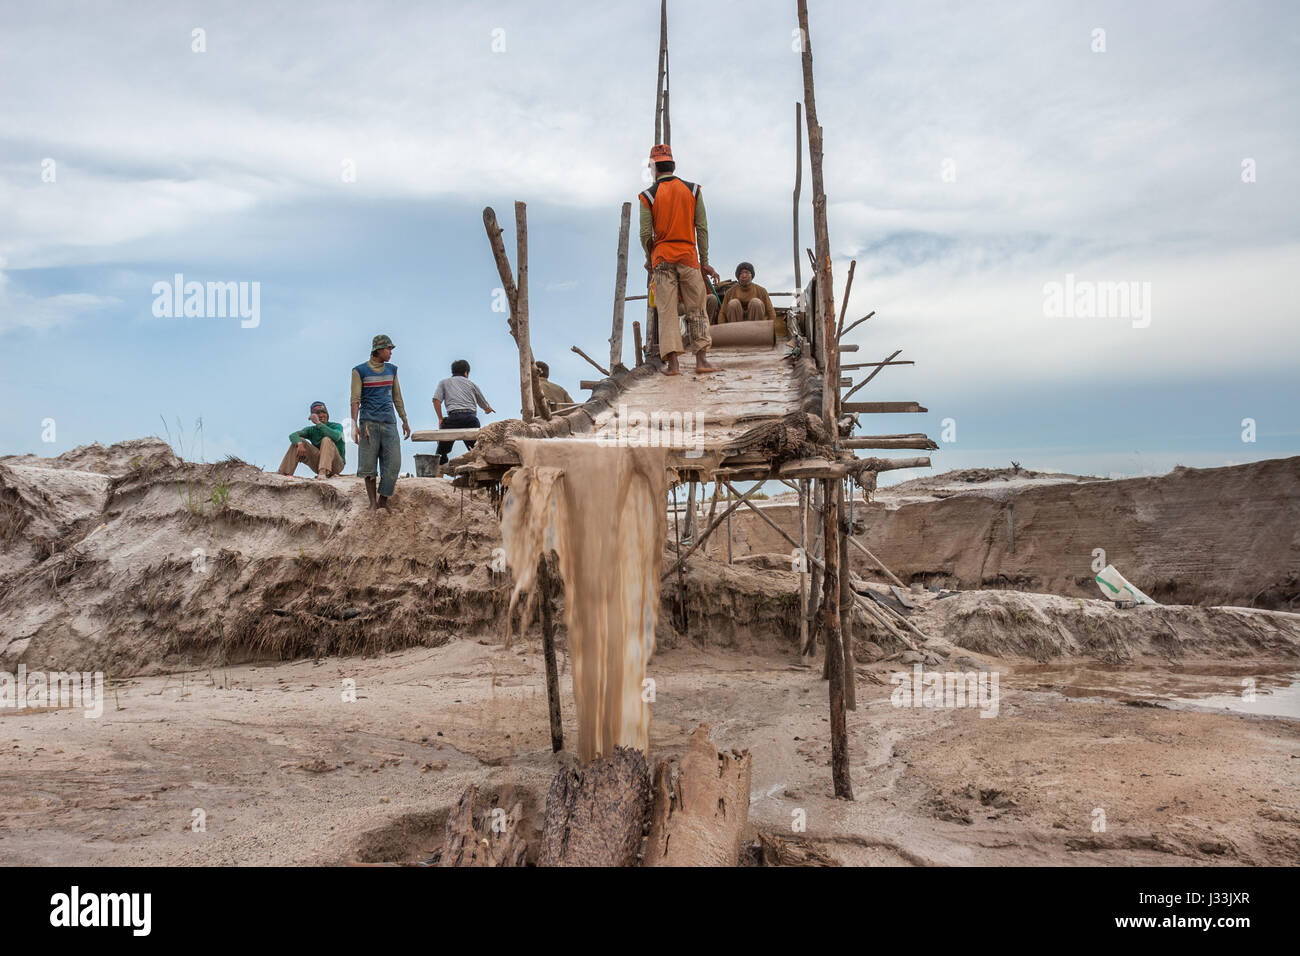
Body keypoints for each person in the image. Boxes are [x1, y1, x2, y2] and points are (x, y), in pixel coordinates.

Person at [638, 144, 721, 376]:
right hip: (688, 257)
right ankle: (701, 361)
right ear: (673, 165)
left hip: (662, 259)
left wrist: (649, 258)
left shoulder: (647, 196)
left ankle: (673, 366)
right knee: (697, 309)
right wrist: (704, 260)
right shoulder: (693, 190)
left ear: (654, 168)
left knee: (666, 311)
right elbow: (702, 227)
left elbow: (645, 234)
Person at [350, 334, 410, 510]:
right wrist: (354, 424)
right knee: (368, 466)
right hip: (368, 423)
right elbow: (355, 399)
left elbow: (397, 397)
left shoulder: (392, 370)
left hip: (389, 422)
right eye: (388, 349)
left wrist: (404, 419)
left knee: (393, 465)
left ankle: (383, 501)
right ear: (378, 350)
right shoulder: (359, 371)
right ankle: (372, 503)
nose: (390, 353)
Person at [433, 359, 494, 466]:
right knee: (477, 451)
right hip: (470, 419)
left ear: (453, 372)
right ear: (466, 373)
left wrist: (440, 418)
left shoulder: (444, 382)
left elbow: (436, 400)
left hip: (452, 420)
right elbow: (484, 405)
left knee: (441, 453)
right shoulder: (472, 384)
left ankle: (439, 476)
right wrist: (488, 409)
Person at [277, 402, 345, 478]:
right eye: (317, 413)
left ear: (327, 414)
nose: (321, 415)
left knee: (326, 440)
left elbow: (336, 436)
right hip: (318, 464)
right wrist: (299, 444)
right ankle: (283, 473)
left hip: (336, 465)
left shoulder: (336, 426)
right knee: (299, 441)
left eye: (323, 412)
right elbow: (293, 435)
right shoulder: (311, 430)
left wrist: (319, 424)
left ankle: (323, 473)